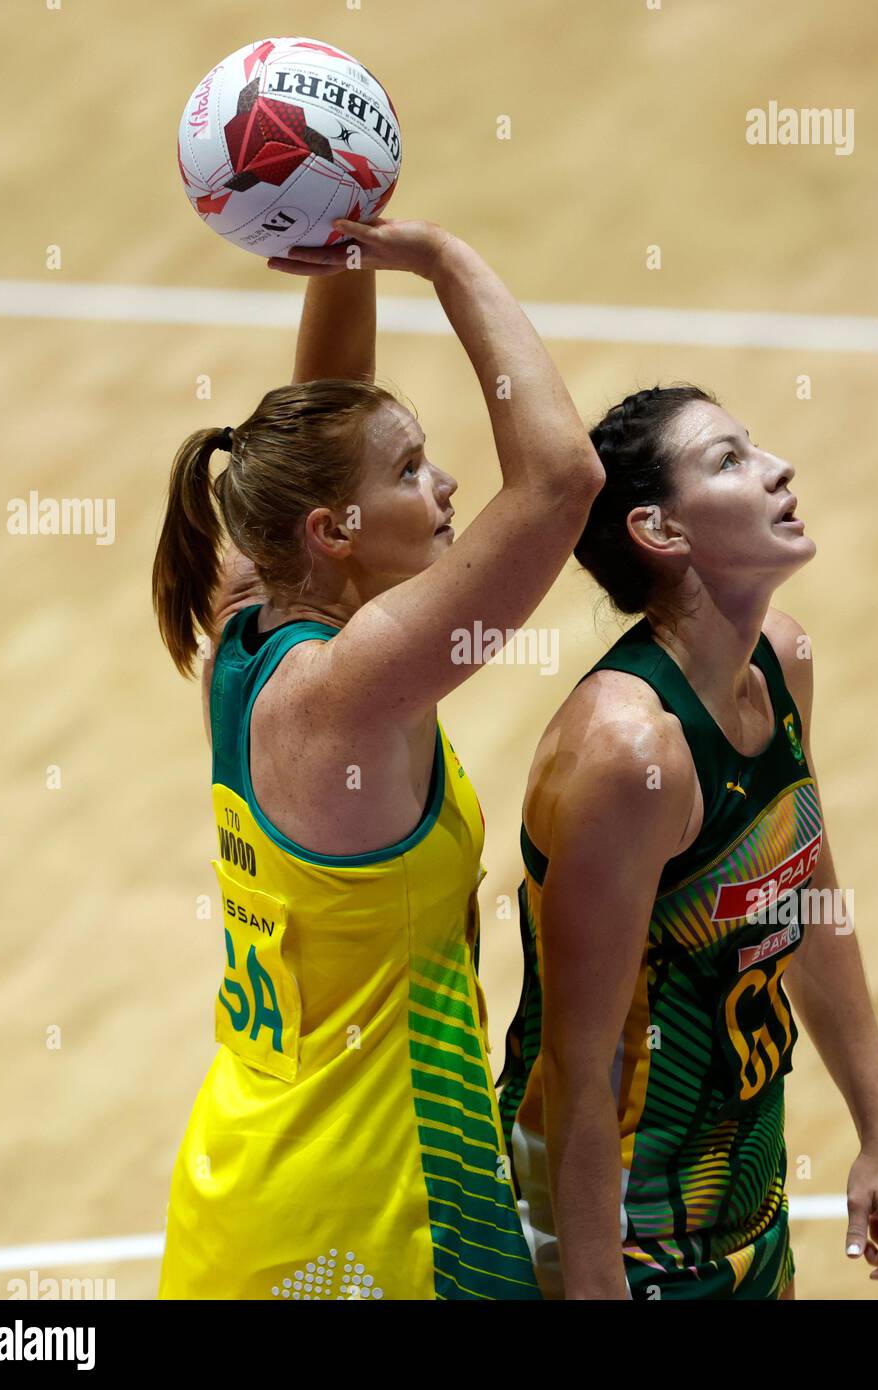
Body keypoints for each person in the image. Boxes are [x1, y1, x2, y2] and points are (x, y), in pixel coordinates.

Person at [151, 216, 604, 1300]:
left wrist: (345, 247)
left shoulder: (248, 625)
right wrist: (439, 260)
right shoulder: (348, 694)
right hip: (377, 1217)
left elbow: (319, 428)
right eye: (412, 471)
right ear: (334, 532)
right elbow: (559, 483)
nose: (446, 485)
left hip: (248, 1179)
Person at [497, 384, 878, 1300]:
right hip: (623, 1232)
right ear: (660, 531)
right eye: (728, 460)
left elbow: (805, 897)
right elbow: (575, 1066)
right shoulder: (629, 752)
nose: (778, 468)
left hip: (742, 1195)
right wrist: (591, 1287)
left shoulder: (782, 660)